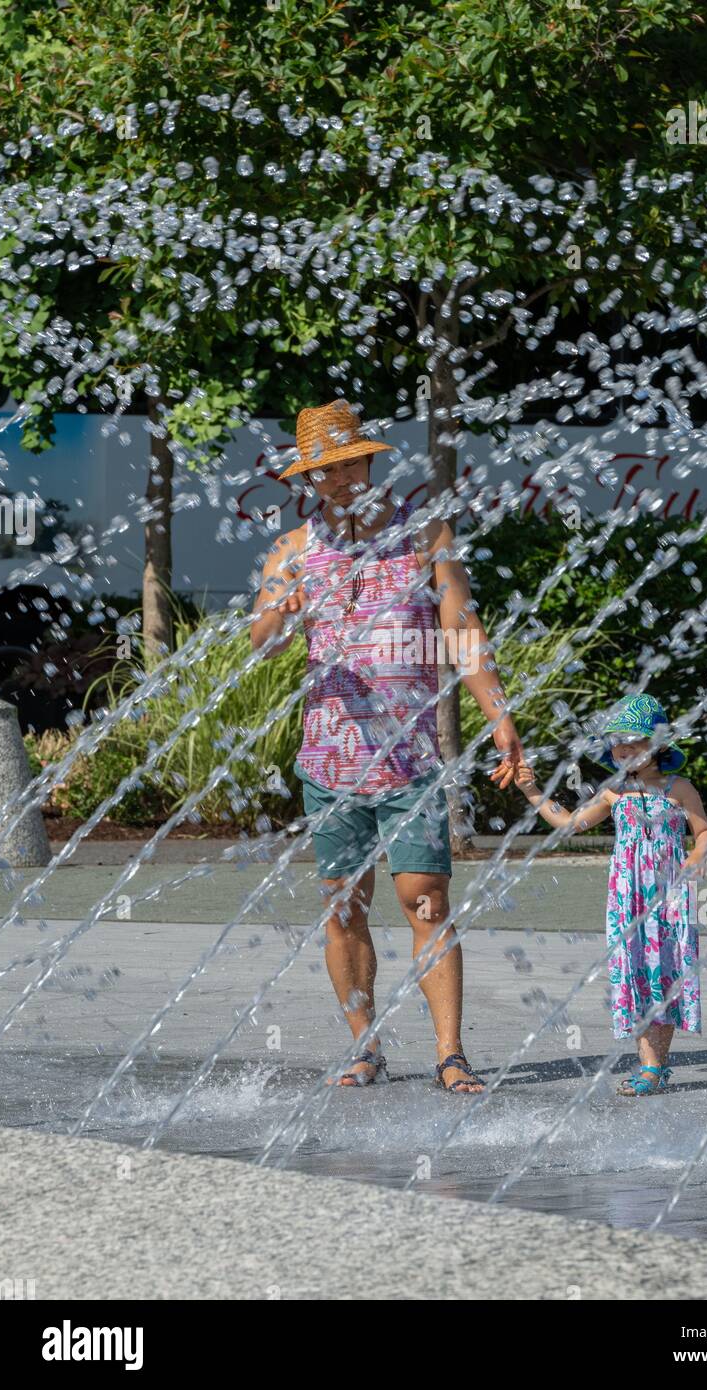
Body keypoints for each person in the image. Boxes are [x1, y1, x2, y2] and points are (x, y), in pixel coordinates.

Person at [251, 400, 525, 1093]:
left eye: (350, 465)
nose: (341, 479)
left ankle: (451, 1055)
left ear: (370, 463)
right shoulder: (293, 551)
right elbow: (264, 643)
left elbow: (462, 629)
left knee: (425, 900)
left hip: (412, 759)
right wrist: (281, 612)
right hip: (329, 759)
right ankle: (364, 1047)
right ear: (308, 480)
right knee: (344, 908)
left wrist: (498, 713)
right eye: (326, 471)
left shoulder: (424, 534)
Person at [500, 693, 707, 1097]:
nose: (623, 749)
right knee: (635, 969)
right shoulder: (613, 792)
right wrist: (532, 791)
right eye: (617, 742)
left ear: (657, 744)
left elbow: (703, 831)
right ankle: (649, 1065)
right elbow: (569, 824)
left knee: (664, 970)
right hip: (627, 897)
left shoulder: (679, 789)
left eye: (632, 740)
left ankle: (655, 1065)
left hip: (668, 896)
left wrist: (698, 855)